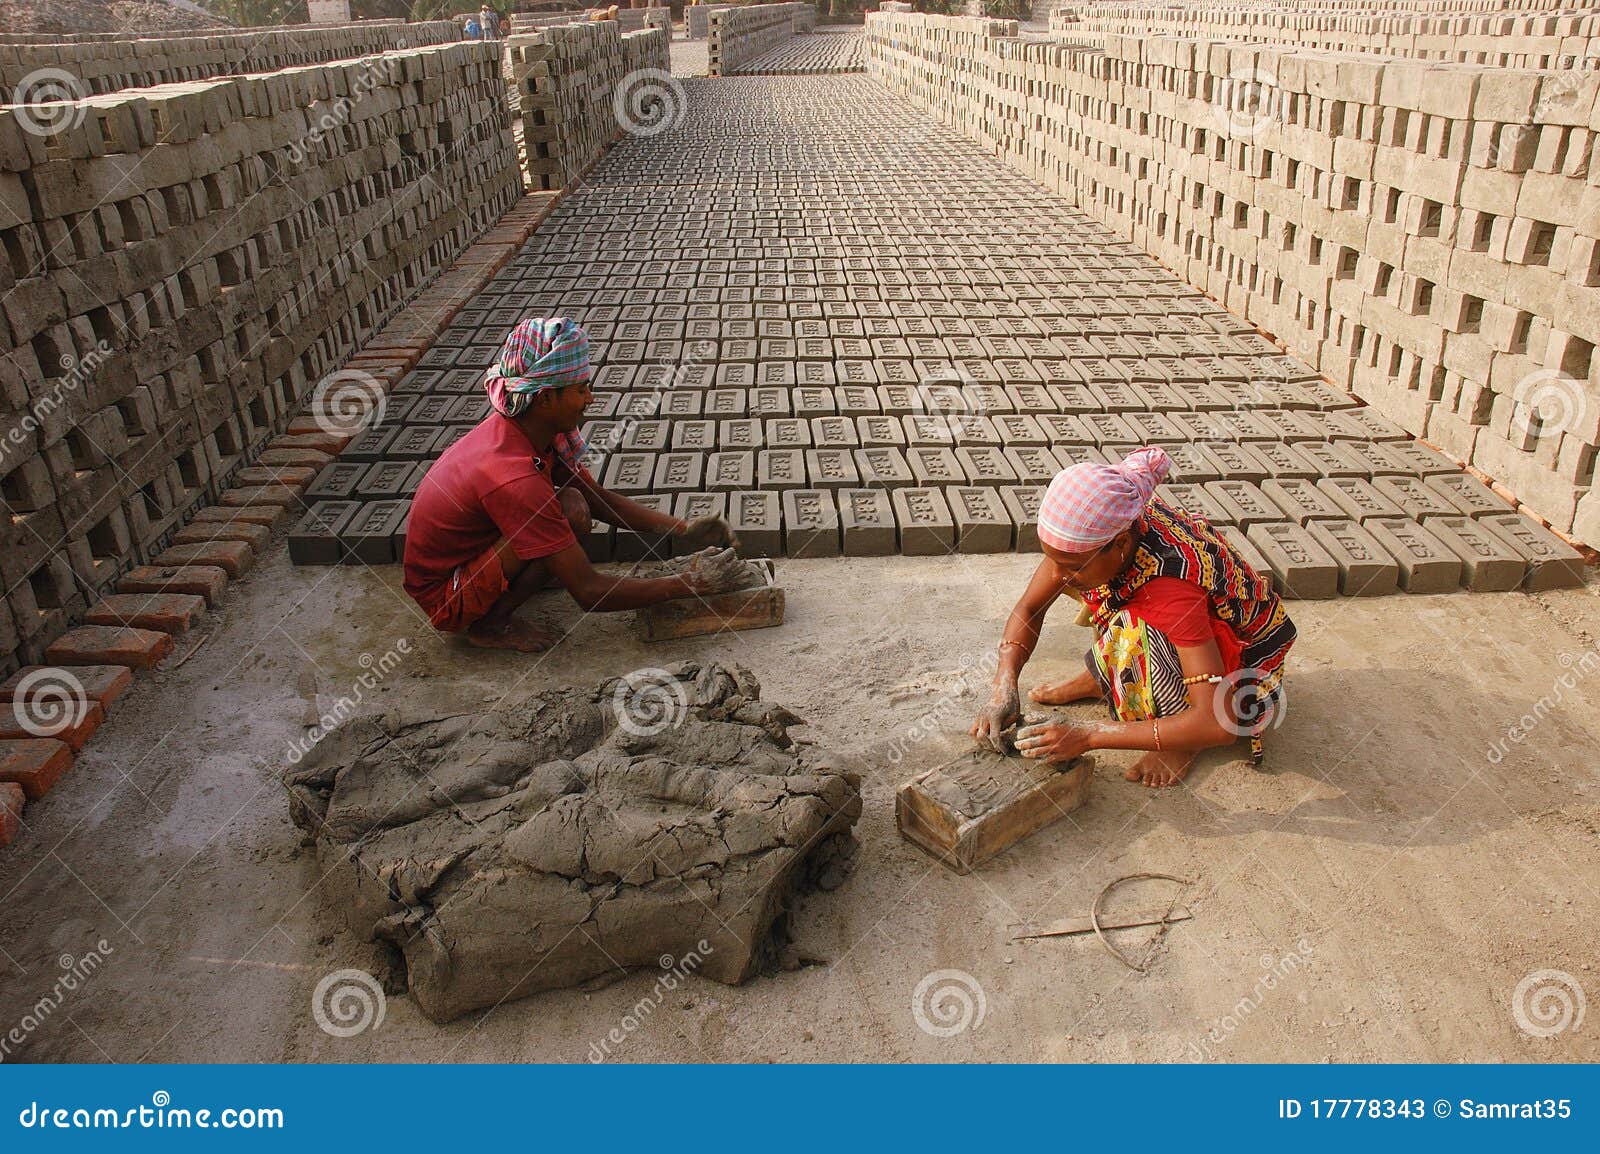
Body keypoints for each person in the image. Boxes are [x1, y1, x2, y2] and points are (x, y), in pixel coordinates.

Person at [403, 317, 743, 652]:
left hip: (472, 552)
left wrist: (683, 529)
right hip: (448, 594)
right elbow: (590, 592)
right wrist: (691, 584)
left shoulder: (528, 429)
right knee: (565, 513)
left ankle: (534, 569)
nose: (590, 399)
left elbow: (597, 500)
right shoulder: (513, 477)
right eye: (581, 389)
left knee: (575, 504)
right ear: (546, 398)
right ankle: (490, 625)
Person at [970, 447, 1297, 787]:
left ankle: (1182, 736)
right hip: (1172, 614)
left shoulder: (1172, 587)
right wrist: (1004, 682)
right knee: (1103, 593)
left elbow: (1217, 721)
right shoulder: (1116, 525)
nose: (1060, 574)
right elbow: (1029, 609)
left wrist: (1089, 736)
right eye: (1054, 559)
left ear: (1121, 543)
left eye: (1072, 565)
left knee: (1141, 626)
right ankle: (1101, 677)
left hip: (1238, 662)